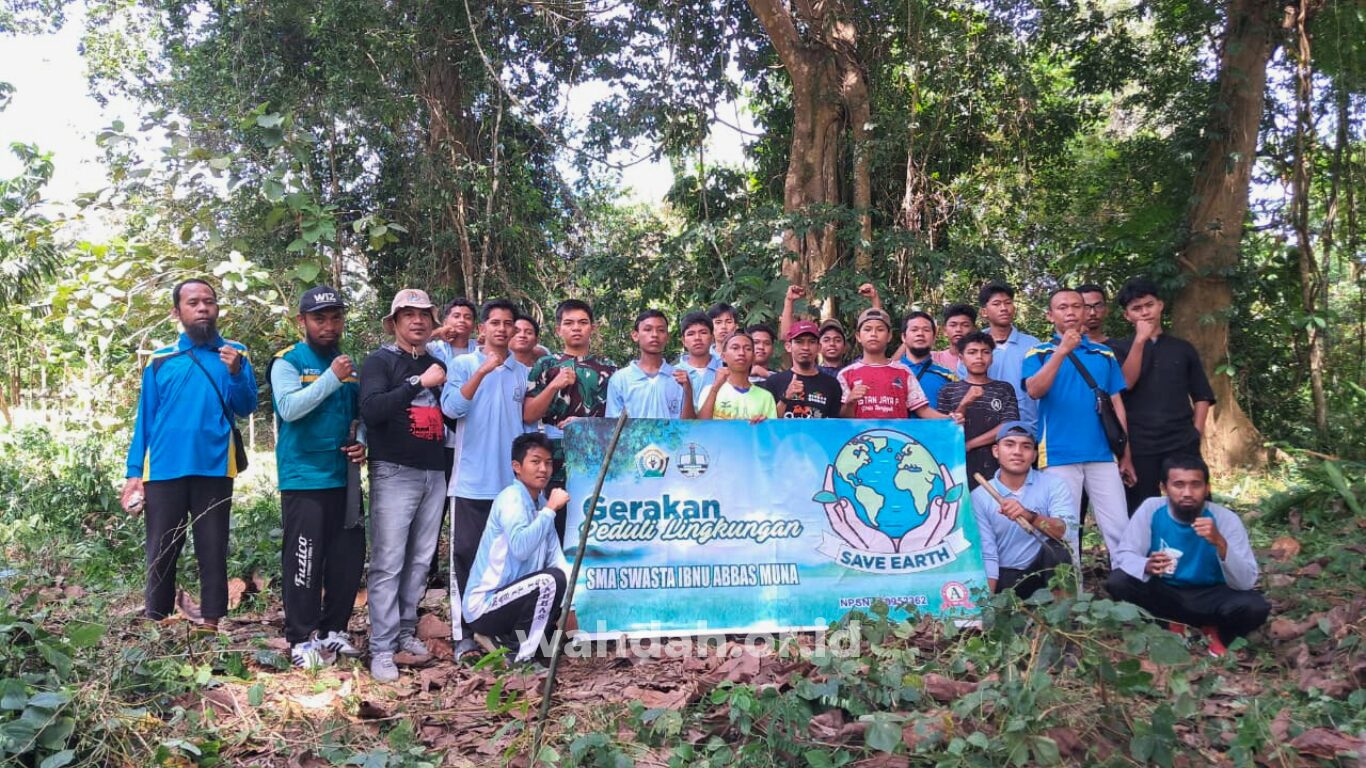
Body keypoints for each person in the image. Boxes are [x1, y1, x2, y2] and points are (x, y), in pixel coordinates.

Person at [122, 279, 257, 632]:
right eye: (193, 302)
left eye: (209, 302)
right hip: (164, 467)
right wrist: (134, 473)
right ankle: (157, 620)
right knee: (162, 548)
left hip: (215, 465)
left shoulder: (235, 352)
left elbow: (246, 406)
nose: (202, 308)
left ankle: (212, 621)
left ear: (217, 308)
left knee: (212, 547)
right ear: (177, 312)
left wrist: (237, 372)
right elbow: (145, 419)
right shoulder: (160, 358)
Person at [269, 286, 367, 668]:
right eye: (319, 319)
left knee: (347, 559)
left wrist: (361, 443)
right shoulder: (287, 362)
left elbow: (357, 417)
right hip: (304, 477)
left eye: (335, 318)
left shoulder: (349, 364)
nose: (329, 326)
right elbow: (290, 408)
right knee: (304, 558)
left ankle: (333, 631)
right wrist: (330, 376)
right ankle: (301, 638)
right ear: (302, 322)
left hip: (343, 478)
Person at [359, 289, 447, 682]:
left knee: (420, 559)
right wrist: (417, 382)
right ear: (394, 323)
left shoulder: (438, 363)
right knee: (388, 561)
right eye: (407, 315)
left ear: (432, 322)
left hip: (434, 470)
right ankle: (380, 647)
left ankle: (406, 633)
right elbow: (372, 410)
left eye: (423, 315)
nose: (417, 322)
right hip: (394, 471)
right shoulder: (379, 362)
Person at [1106, 456, 1270, 656]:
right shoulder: (1152, 509)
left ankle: (1219, 635)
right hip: (1166, 593)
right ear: (1164, 488)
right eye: (1178, 485)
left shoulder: (1225, 519)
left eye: (1195, 485)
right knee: (1118, 581)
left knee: (1255, 606)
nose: (1187, 493)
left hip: (1212, 596)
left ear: (1207, 488)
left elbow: (1246, 582)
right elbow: (1125, 554)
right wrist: (1147, 564)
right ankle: (1169, 628)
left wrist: (1220, 542)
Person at [442, 299, 533, 655]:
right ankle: (463, 634)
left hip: (510, 486)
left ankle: (501, 632)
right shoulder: (463, 364)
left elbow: (528, 423)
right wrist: (483, 372)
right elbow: (451, 409)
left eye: (507, 323)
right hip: (470, 482)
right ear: (481, 329)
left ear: (514, 330)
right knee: (465, 557)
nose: (501, 328)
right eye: (493, 322)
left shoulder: (521, 373)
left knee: (509, 561)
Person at [1023, 287, 1136, 563]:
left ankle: (1128, 590)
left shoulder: (1105, 355)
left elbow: (1117, 404)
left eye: (1077, 306)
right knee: (1066, 530)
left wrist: (1126, 454)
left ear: (1087, 312)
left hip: (1102, 453)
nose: (1071, 312)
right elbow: (1034, 390)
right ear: (1050, 315)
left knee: (1119, 527)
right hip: (1059, 454)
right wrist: (1062, 351)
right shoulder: (1037, 353)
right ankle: (1072, 596)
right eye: (1063, 307)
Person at [1109, 279, 1217, 515]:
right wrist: (1140, 341)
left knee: (1194, 505)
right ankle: (1148, 553)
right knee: (1141, 510)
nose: (1145, 312)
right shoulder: (1117, 349)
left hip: (1181, 441)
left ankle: (1201, 550)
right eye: (1136, 309)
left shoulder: (1183, 348)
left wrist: (1195, 434)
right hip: (1139, 444)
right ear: (1127, 316)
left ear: (1161, 305)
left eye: (1149, 305)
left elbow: (1202, 396)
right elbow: (1125, 383)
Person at [463, 433, 571, 666]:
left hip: (514, 601)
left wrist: (570, 605)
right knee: (549, 581)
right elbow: (521, 548)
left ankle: (500, 641)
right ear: (517, 467)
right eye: (535, 461)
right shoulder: (511, 499)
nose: (543, 469)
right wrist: (551, 509)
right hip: (485, 605)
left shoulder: (540, 505)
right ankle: (519, 659)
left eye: (548, 463)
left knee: (557, 644)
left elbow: (557, 559)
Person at [523, 299, 616, 536]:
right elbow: (529, 414)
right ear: (558, 329)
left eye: (583, 323)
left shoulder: (608, 368)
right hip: (553, 458)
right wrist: (554, 385)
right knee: (555, 523)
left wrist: (586, 425)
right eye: (569, 323)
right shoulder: (546, 365)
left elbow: (616, 418)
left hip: (594, 455)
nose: (576, 328)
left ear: (593, 328)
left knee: (594, 521)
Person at [970, 422, 1075, 597]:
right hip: (1004, 578)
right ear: (996, 451)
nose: (1017, 452)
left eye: (1026, 446)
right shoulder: (980, 496)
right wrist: (987, 606)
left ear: (1034, 455)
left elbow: (1066, 532)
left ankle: (1062, 620)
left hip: (1040, 574)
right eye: (1009, 445)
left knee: (1058, 551)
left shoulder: (1053, 485)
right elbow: (988, 554)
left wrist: (1029, 515)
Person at [838, 308, 956, 421]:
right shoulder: (846, 374)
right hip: (860, 440)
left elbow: (922, 410)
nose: (873, 334)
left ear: (889, 336)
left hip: (897, 439)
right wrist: (850, 403)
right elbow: (840, 419)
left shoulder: (903, 371)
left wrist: (950, 419)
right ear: (858, 336)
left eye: (880, 329)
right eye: (867, 329)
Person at [937, 331, 1019, 488]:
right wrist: (965, 403)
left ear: (992, 358)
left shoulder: (1003, 389)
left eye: (985, 352)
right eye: (972, 352)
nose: (979, 357)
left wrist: (970, 444)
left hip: (997, 464)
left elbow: (1008, 425)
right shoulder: (948, 390)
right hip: (958, 464)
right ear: (961, 358)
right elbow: (945, 429)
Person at [976, 282, 1042, 433]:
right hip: (985, 431)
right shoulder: (974, 346)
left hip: (1028, 430)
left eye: (1008, 303)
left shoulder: (1033, 345)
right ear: (984, 312)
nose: (1004, 308)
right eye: (996, 304)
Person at [606, 310, 696, 419]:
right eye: (648, 329)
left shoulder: (680, 378)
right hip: (634, 437)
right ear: (635, 335)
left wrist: (688, 392)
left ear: (667, 337)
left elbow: (688, 426)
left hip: (671, 436)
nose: (654, 335)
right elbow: (612, 426)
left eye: (661, 330)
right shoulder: (620, 380)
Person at [761, 321, 843, 419]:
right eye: (799, 342)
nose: (805, 347)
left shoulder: (832, 384)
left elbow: (835, 426)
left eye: (812, 342)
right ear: (788, 346)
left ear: (819, 347)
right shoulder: (774, 382)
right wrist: (785, 398)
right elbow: (767, 424)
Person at [699, 332, 778, 421]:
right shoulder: (709, 391)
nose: (741, 353)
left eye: (748, 349)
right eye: (735, 348)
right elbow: (701, 426)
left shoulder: (766, 397)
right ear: (723, 356)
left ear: (753, 357)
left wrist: (763, 424)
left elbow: (771, 432)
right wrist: (715, 389)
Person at [899, 311, 958, 408]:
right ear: (903, 337)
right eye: (914, 330)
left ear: (934, 337)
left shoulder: (949, 377)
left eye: (926, 330)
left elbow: (956, 415)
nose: (920, 333)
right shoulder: (890, 371)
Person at [676, 311, 719, 407]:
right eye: (691, 334)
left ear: (712, 338)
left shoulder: (724, 370)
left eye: (703, 332)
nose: (697, 338)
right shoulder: (674, 373)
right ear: (684, 341)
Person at [933, 304, 977, 371]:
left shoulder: (983, 360)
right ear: (944, 330)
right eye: (953, 325)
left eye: (965, 325)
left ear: (974, 330)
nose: (958, 329)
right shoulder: (933, 359)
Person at [1077, 283, 1115, 349]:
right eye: (1086, 307)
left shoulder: (1122, 348)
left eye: (1098, 306)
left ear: (1107, 309)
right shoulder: (1063, 349)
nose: (1093, 313)